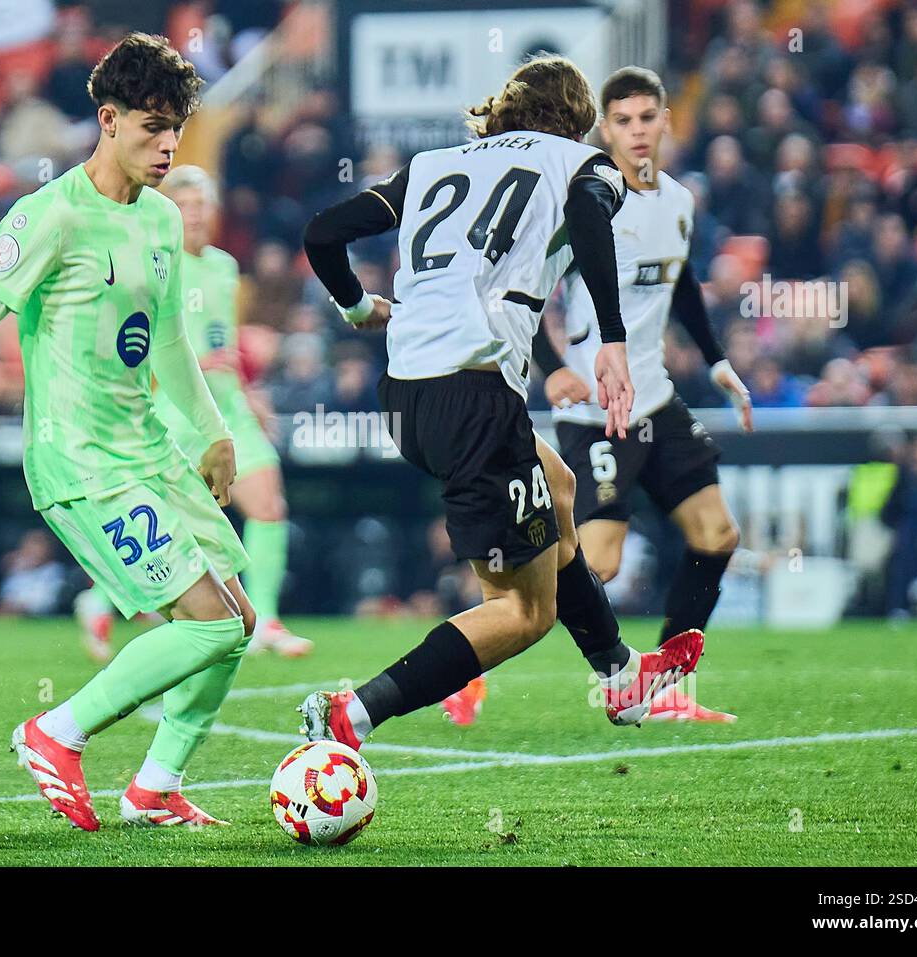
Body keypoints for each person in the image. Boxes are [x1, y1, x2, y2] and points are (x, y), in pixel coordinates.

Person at [296, 55, 705, 751]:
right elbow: (587, 214)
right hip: (473, 396)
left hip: (406, 396)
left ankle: (619, 674)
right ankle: (352, 713)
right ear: (579, 123)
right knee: (520, 609)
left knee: (560, 485)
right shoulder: (582, 164)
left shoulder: (431, 164)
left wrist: (358, 305)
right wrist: (611, 337)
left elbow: (322, 234)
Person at [0, 34, 255, 831]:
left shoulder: (165, 220)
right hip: (81, 461)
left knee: (235, 623)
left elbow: (169, 343)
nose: (168, 145)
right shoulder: (51, 215)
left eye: (176, 127)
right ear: (107, 120)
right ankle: (54, 732)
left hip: (151, 450)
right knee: (205, 620)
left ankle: (155, 787)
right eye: (150, 127)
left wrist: (212, 433)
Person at [534, 67, 753, 722]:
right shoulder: (582, 201)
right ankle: (484, 636)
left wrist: (716, 361)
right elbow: (526, 294)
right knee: (597, 560)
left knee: (716, 533)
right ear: (605, 126)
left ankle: (656, 691)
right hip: (594, 407)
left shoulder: (680, 202)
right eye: (622, 120)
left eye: (646, 118)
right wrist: (550, 368)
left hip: (654, 397)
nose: (636, 132)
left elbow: (679, 284)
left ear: (665, 121)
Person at [72, 164, 312, 661]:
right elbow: (137, 347)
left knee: (268, 504)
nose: (196, 216)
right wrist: (192, 366)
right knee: (165, 524)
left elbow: (223, 343)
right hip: (176, 408)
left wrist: (248, 392)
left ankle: (264, 618)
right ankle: (98, 600)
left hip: (227, 408)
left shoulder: (224, 268)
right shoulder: (154, 266)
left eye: (203, 206)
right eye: (185, 207)